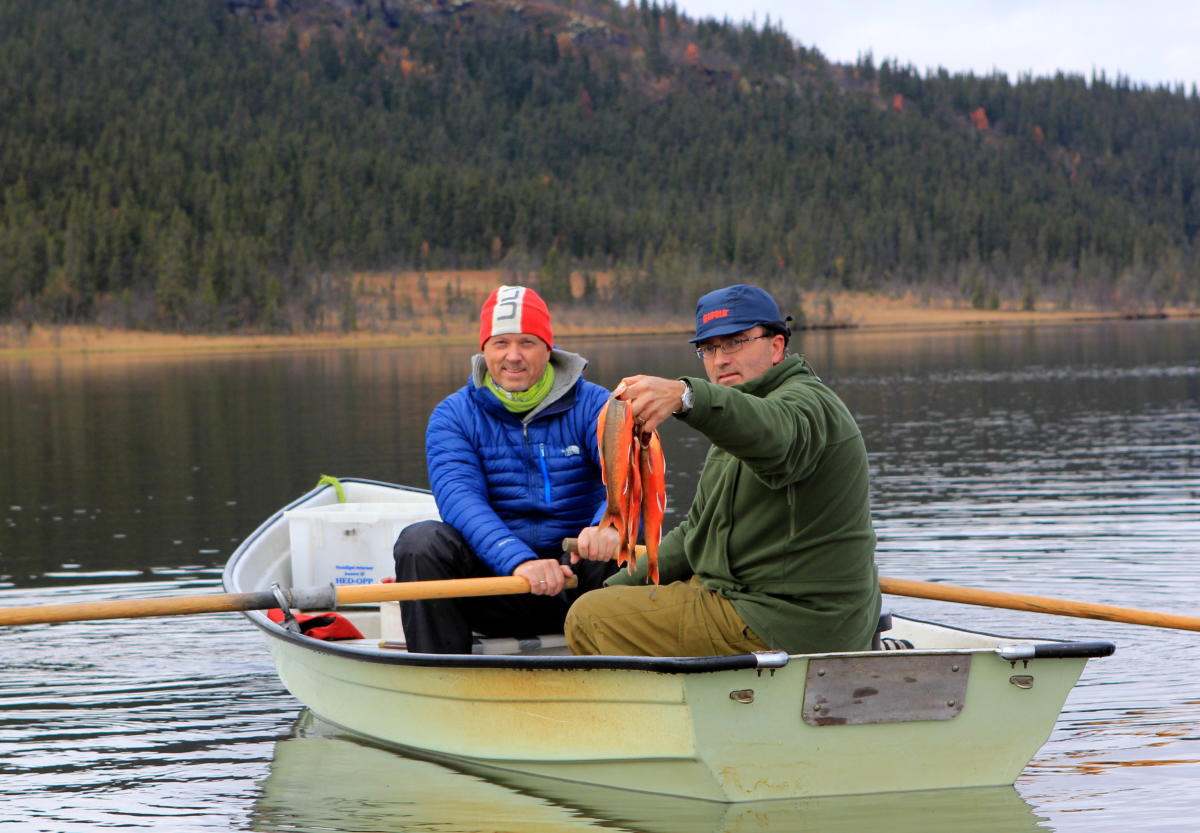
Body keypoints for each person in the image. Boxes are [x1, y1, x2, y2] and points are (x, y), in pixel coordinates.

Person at [566, 284, 881, 656]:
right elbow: (696, 533)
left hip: (791, 620)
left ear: (777, 345)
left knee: (588, 618)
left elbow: (775, 437)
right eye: (709, 348)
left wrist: (687, 397)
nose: (720, 361)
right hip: (740, 600)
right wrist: (618, 585)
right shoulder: (733, 418)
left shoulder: (806, 405)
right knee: (604, 600)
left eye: (736, 342)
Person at [393, 284, 615, 653]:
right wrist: (519, 561)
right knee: (421, 542)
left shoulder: (597, 405)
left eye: (527, 342)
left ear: (548, 347)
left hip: (579, 582)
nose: (513, 356)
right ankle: (440, 681)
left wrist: (608, 524)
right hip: (494, 585)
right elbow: (460, 501)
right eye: (501, 343)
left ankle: (622, 676)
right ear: (484, 349)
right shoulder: (454, 415)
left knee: (616, 544)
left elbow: (628, 483)